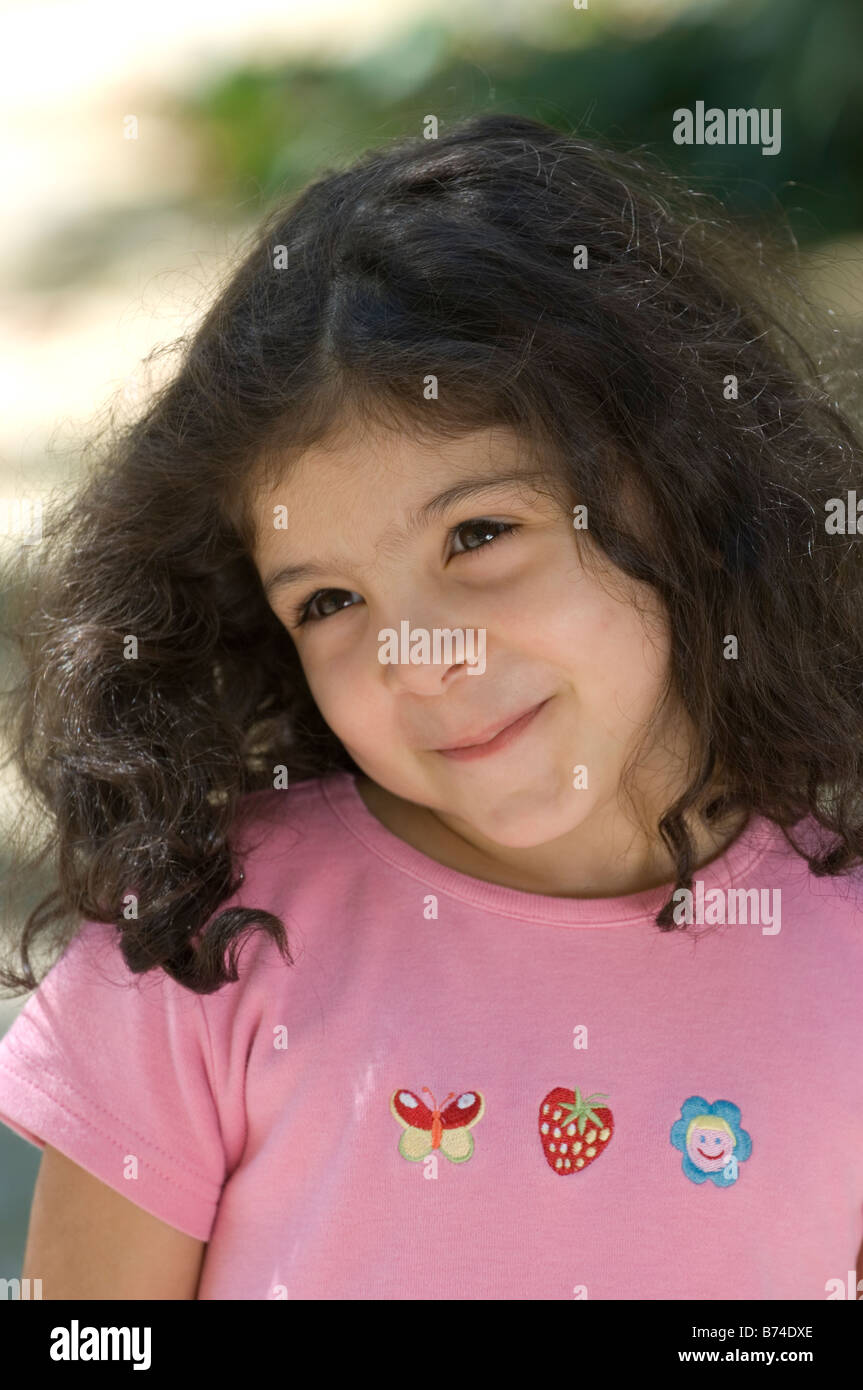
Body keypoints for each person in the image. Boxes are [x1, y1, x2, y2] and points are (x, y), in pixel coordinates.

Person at [0, 112, 861, 1301]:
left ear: (678, 486)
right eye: (330, 600)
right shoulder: (203, 942)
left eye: (478, 533)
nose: (415, 651)